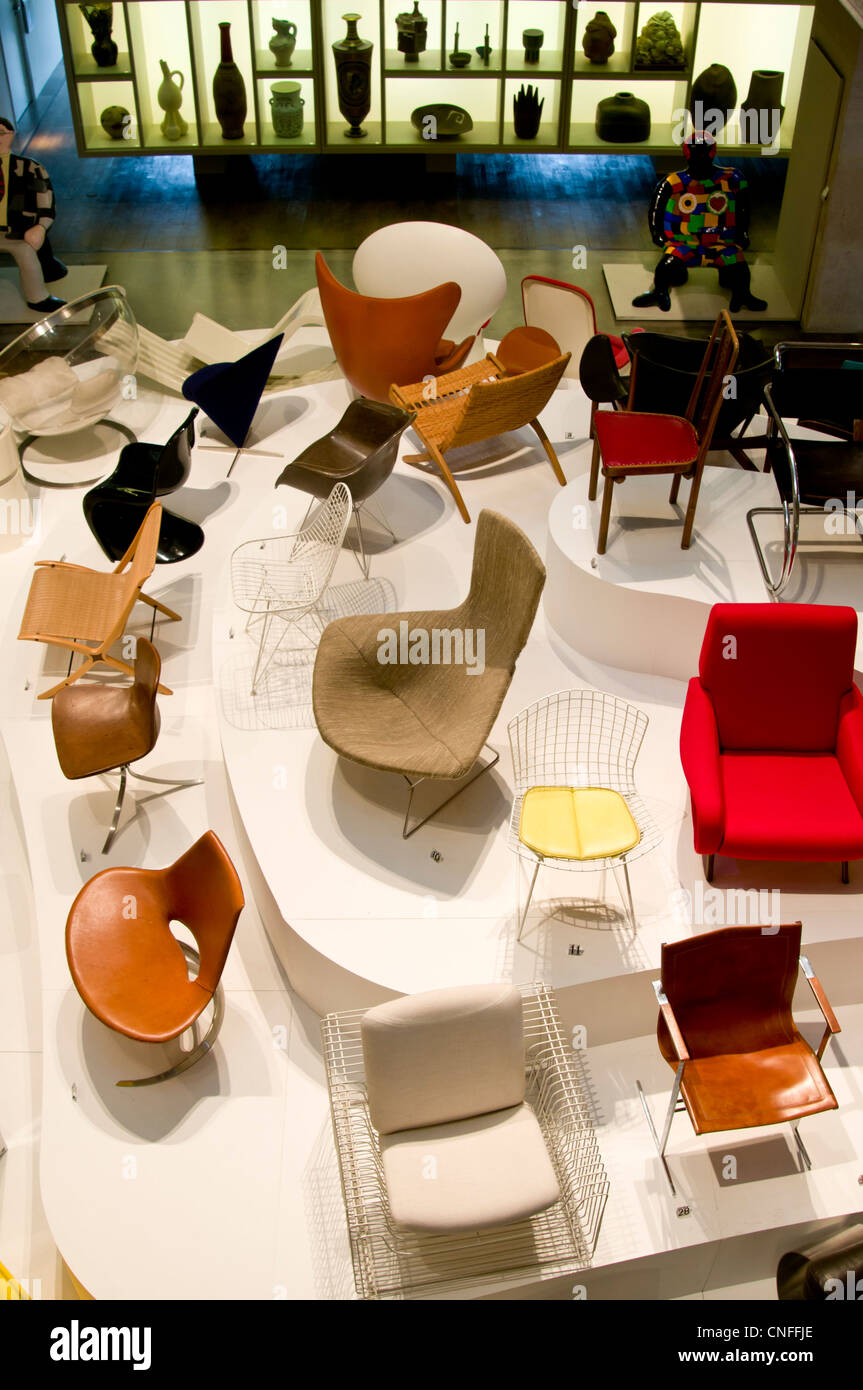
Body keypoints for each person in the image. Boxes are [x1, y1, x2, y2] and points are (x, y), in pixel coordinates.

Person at [632, 130, 767, 314]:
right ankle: (660, 291)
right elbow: (656, 210)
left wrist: (742, 233)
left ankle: (742, 294)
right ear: (687, 153)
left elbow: (743, 209)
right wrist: (659, 235)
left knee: (738, 268)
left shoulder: (732, 179)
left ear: (712, 152)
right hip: (684, 242)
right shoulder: (673, 183)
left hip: (721, 241)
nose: (699, 157)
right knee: (667, 267)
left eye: (704, 152)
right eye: (695, 152)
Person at [0, 116, 67, 312]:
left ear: (11, 135)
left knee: (26, 253)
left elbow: (45, 201)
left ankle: (37, 297)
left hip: (18, 232)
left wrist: (41, 226)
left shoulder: (30, 168)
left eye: (1, 133)